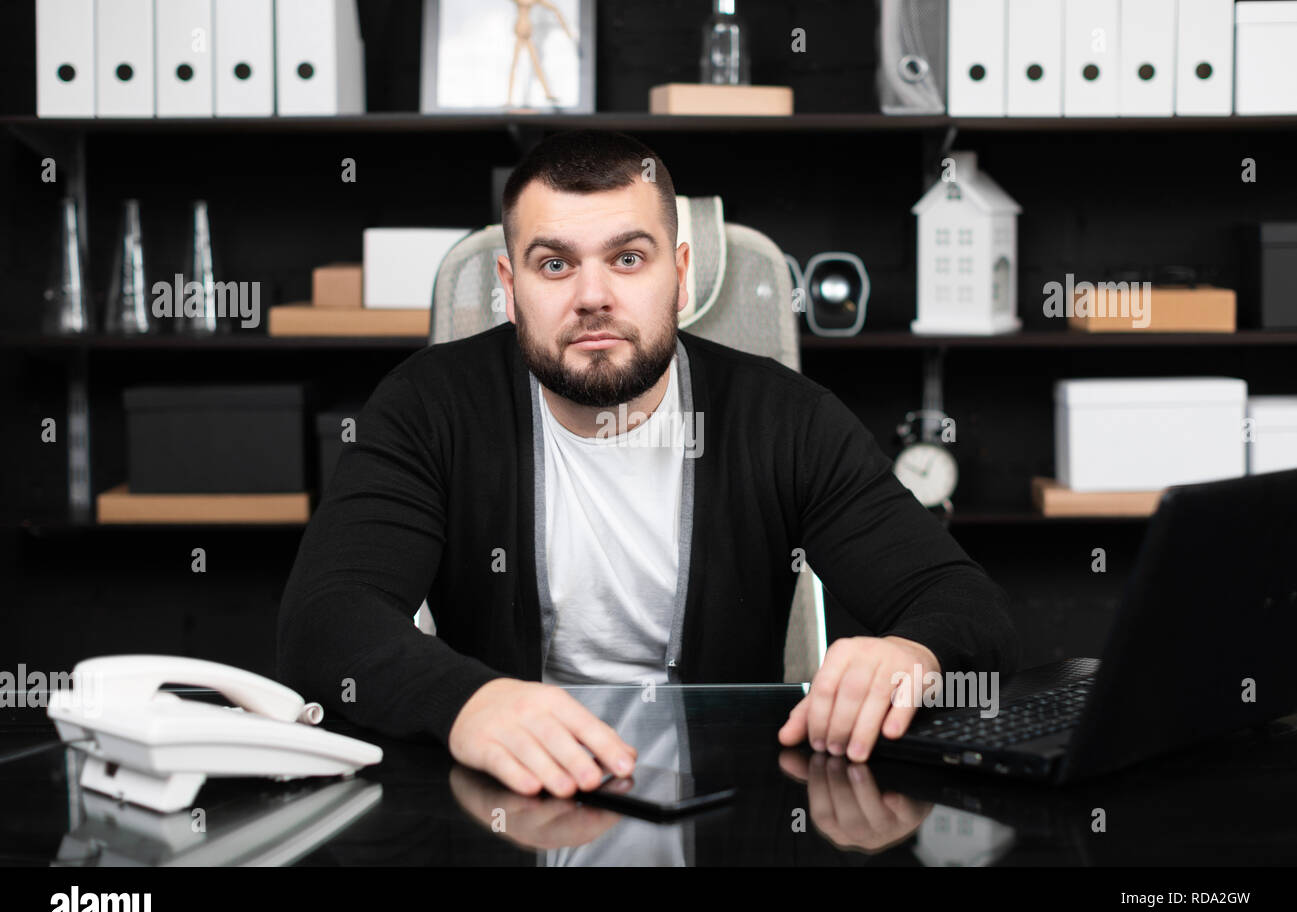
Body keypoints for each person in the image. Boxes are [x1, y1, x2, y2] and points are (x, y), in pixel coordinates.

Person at [277, 129, 1020, 799]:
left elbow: (966, 607)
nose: (593, 296)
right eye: (554, 263)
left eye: (628, 258)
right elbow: (325, 622)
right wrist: (468, 702)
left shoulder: (784, 419)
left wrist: (911, 653)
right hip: (510, 800)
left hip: (731, 799)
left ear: (681, 276)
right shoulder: (429, 406)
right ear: (509, 289)